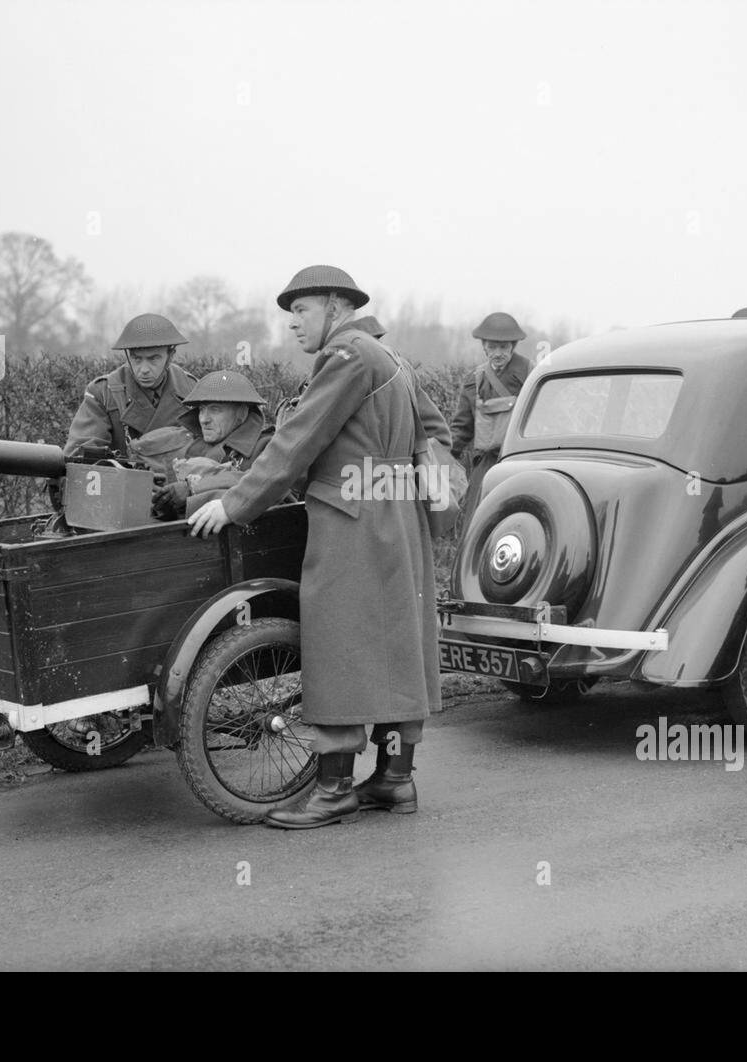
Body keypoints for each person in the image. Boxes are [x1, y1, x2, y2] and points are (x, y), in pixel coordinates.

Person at [188, 264, 450, 829]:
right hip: (397, 518)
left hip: (351, 522)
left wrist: (235, 504)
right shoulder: (392, 360)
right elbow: (435, 435)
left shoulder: (347, 357)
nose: (292, 325)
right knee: (397, 643)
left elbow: (294, 444)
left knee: (338, 640)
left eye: (301, 311)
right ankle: (395, 779)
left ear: (335, 305)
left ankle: (333, 791)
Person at [63, 313, 201, 459]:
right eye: (137, 359)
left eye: (153, 358)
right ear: (128, 356)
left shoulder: (193, 391)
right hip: (121, 479)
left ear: (170, 356)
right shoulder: (103, 393)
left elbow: (210, 450)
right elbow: (81, 455)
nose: (144, 369)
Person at [150, 369, 276, 519]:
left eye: (215, 410)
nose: (203, 419)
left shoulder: (267, 446)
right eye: (202, 410)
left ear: (242, 413)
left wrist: (193, 488)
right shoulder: (195, 445)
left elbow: (260, 481)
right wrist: (163, 491)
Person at [450, 311, 532, 526]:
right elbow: (461, 428)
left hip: (520, 463)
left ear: (513, 346)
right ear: (484, 346)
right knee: (477, 523)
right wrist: (444, 458)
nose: (497, 353)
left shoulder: (531, 375)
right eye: (492, 347)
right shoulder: (475, 380)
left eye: (503, 347)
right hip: (485, 465)